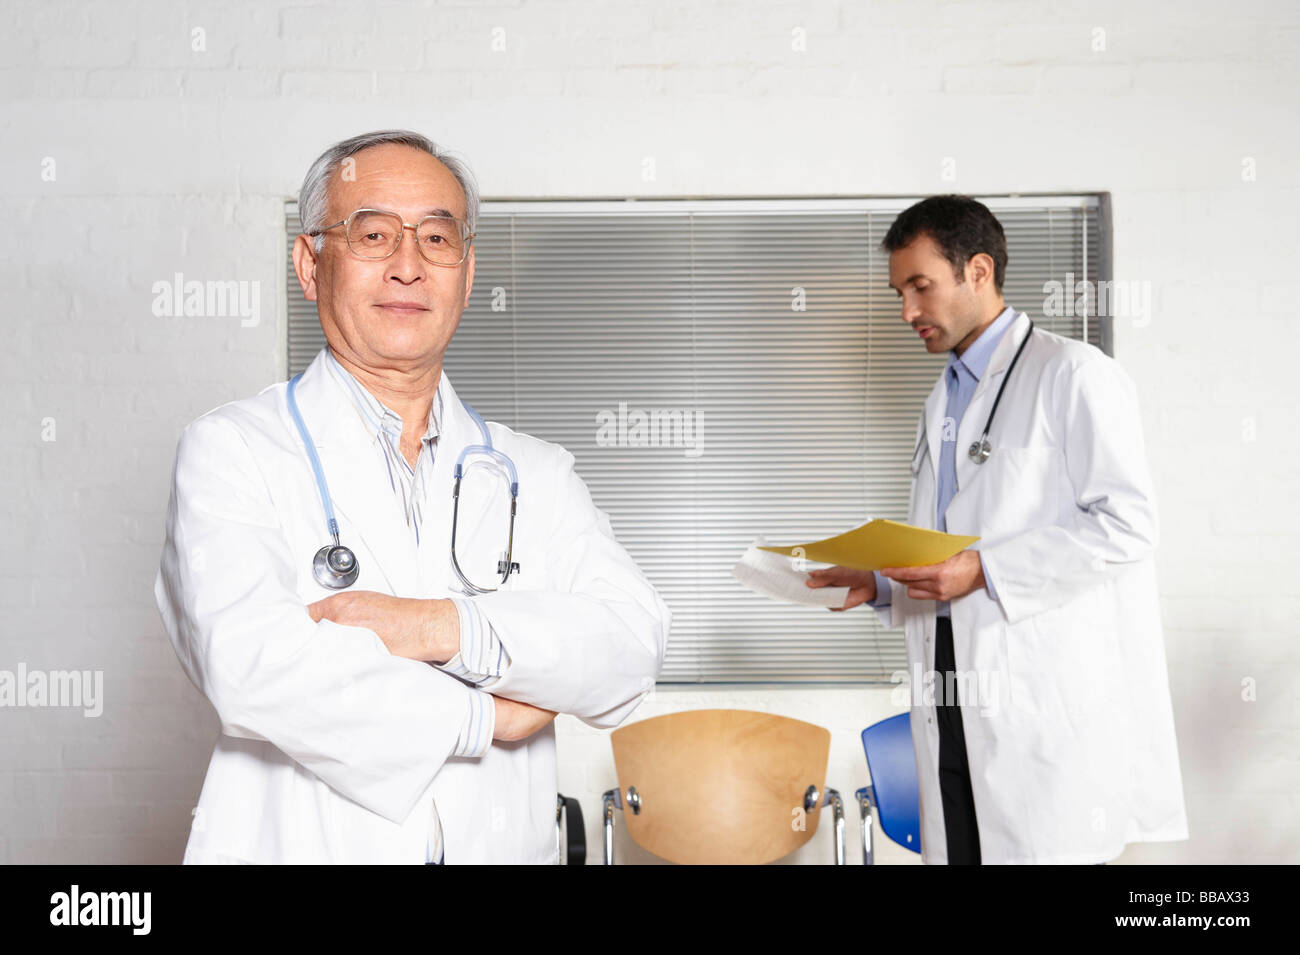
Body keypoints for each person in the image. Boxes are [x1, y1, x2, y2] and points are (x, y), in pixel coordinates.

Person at [154, 129, 669, 864]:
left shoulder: (536, 472)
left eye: (436, 237)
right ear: (309, 264)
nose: (407, 266)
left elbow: (628, 645)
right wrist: (482, 715)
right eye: (371, 234)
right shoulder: (232, 449)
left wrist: (439, 627)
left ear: (466, 270)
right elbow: (252, 667)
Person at [808, 195, 1187, 864]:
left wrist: (983, 569)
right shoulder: (943, 397)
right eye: (900, 291)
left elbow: (1128, 525)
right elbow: (948, 540)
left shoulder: (1072, 375)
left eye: (920, 286)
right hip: (951, 684)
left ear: (977, 270)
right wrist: (881, 583)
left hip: (1041, 697)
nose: (907, 312)